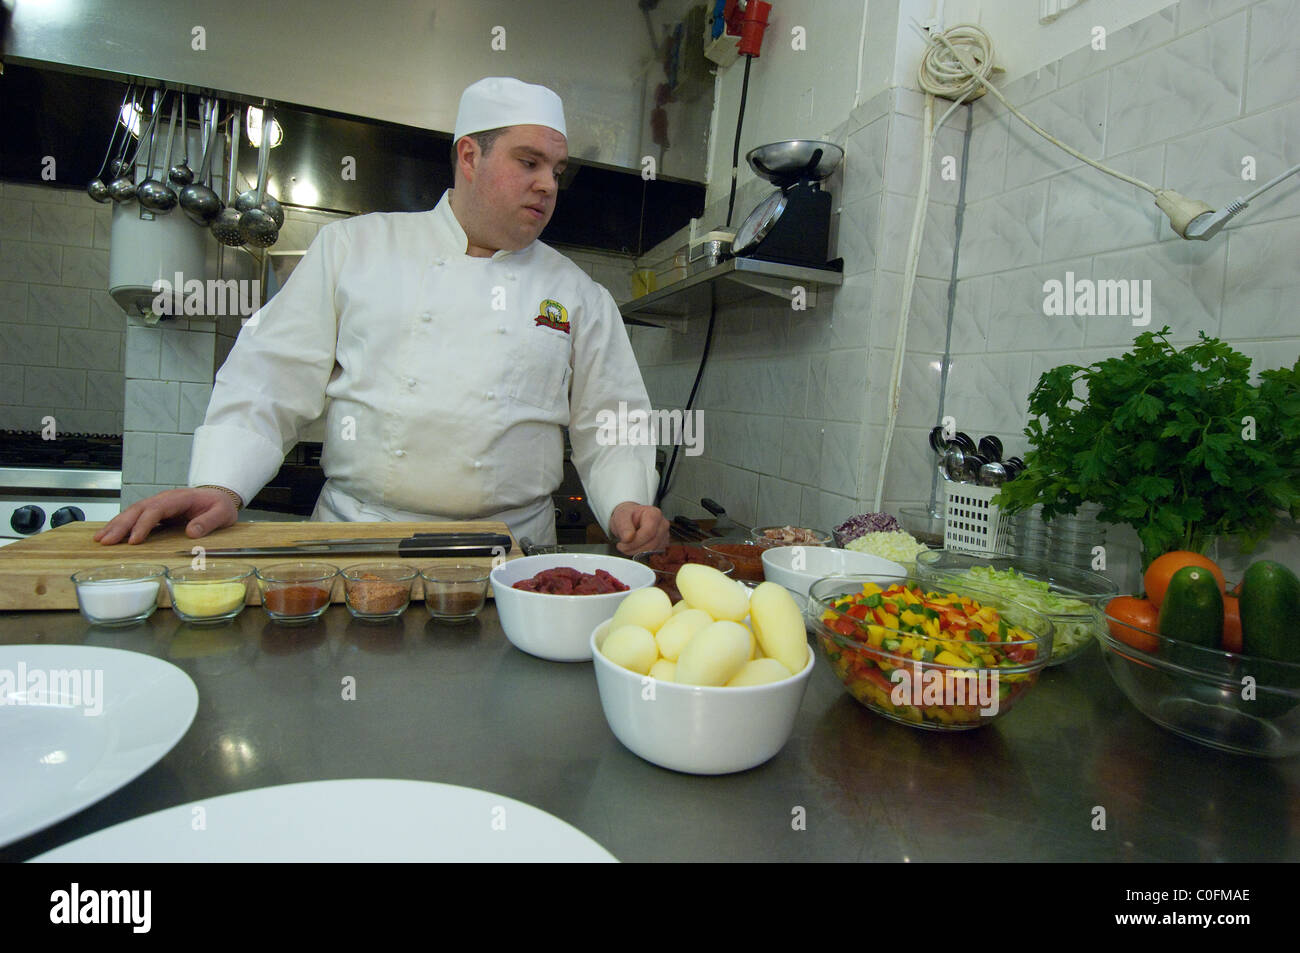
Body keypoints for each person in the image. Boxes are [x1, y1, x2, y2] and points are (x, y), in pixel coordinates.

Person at [95, 77, 670, 554]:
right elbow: (270, 376)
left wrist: (626, 503)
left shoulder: (578, 294)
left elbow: (612, 418)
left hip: (512, 557)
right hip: (359, 543)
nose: (548, 184)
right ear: (470, 155)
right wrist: (222, 483)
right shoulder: (355, 249)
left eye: (556, 169)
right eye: (529, 162)